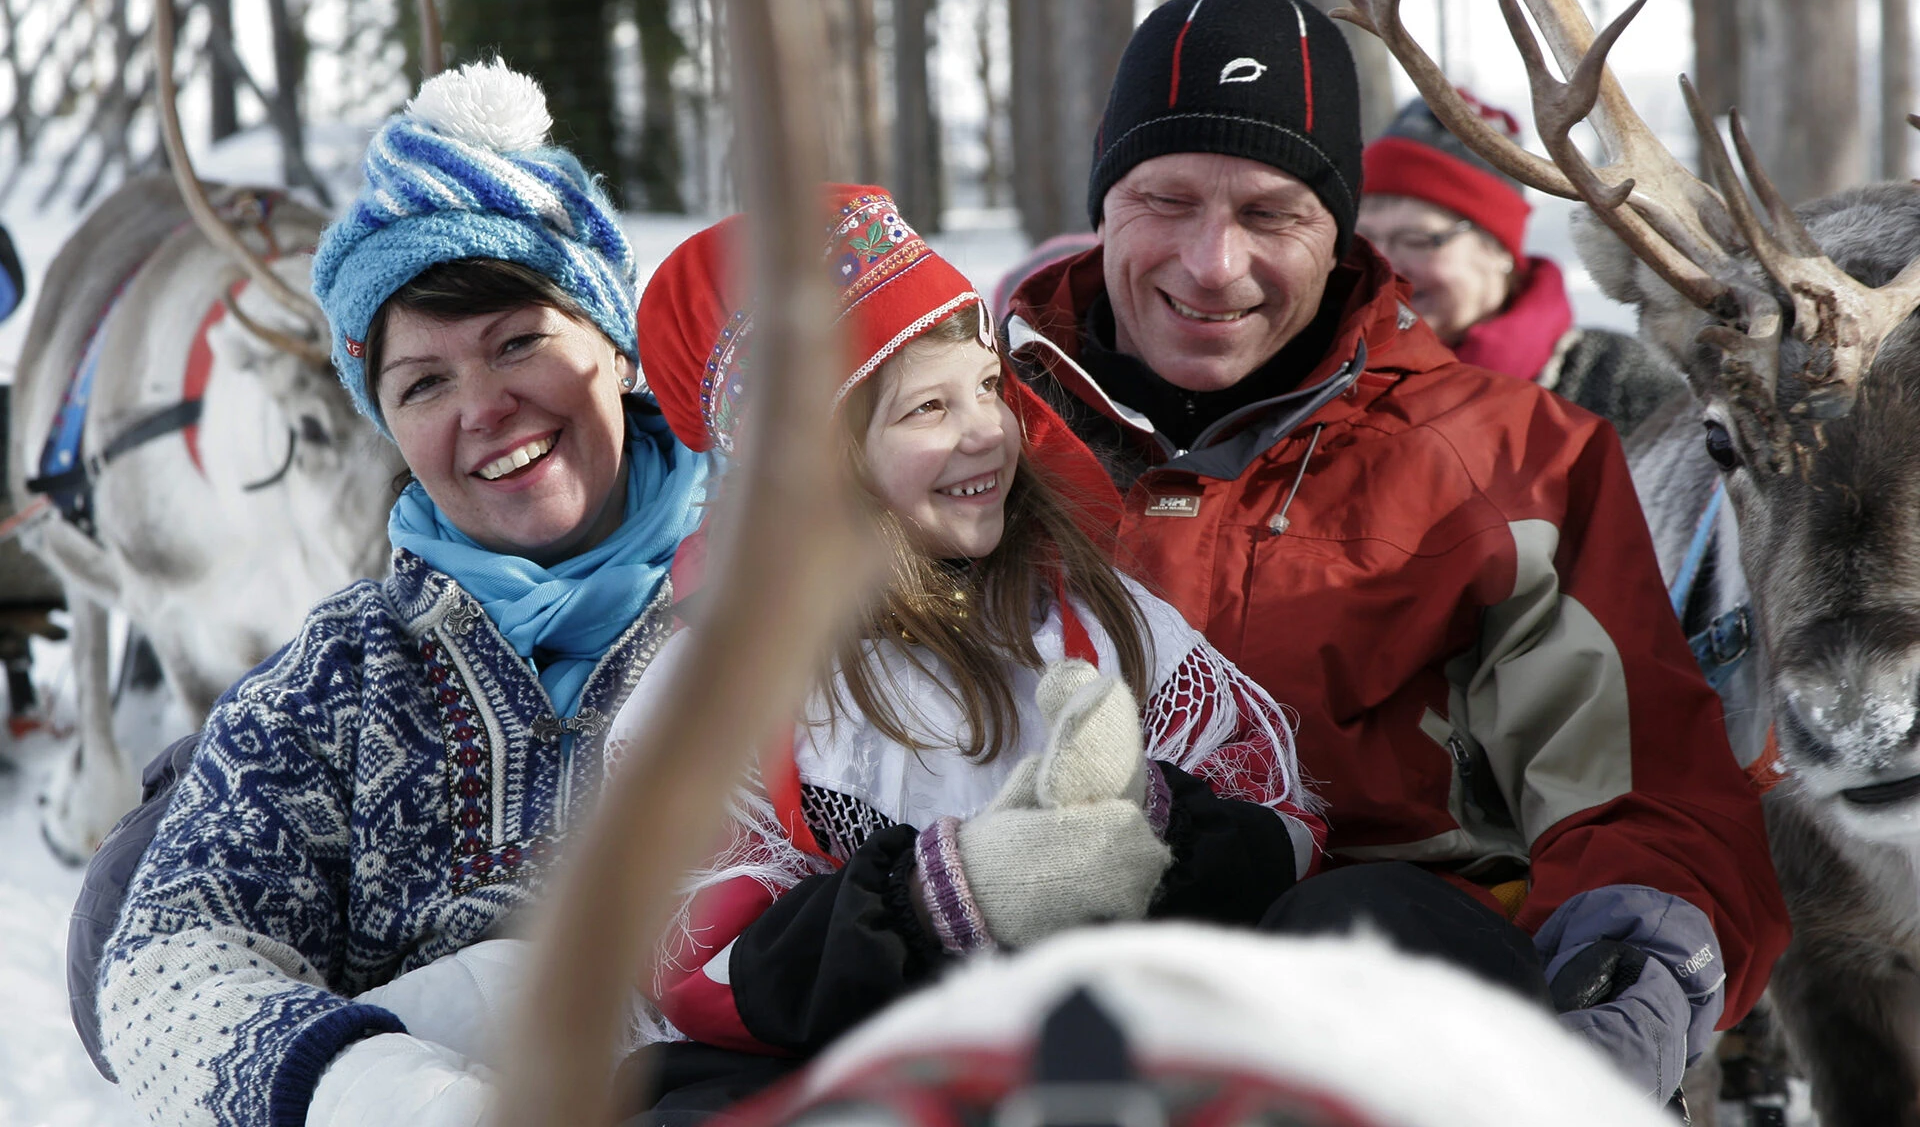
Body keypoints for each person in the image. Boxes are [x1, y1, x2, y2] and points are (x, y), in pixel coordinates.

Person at [1000, 0, 1788, 1107]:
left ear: (1340, 230)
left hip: (1392, 1009)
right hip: (1032, 989)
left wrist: (1635, 977)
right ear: (1102, 206)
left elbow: (1638, 789)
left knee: (1350, 923)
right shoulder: (967, 440)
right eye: (1166, 200)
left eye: (1271, 213)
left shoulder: (1514, 462)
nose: (1213, 264)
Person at [609, 186, 1326, 1116]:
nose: (987, 429)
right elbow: (689, 954)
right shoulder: (725, 690)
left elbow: (1279, 808)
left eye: (988, 385)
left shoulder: (1092, 624)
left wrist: (1153, 826)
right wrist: (942, 899)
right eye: (927, 411)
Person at [90, 58, 709, 1127]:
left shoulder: (790, 595)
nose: (488, 406)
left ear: (613, 342)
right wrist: (372, 1087)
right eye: (424, 382)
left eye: (520, 340)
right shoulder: (340, 680)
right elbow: (161, 968)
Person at [1356, 94, 1683, 439]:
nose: (1384, 266)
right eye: (1362, 238)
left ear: (1498, 249)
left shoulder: (1623, 387)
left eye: (1417, 239)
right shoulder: (1326, 384)